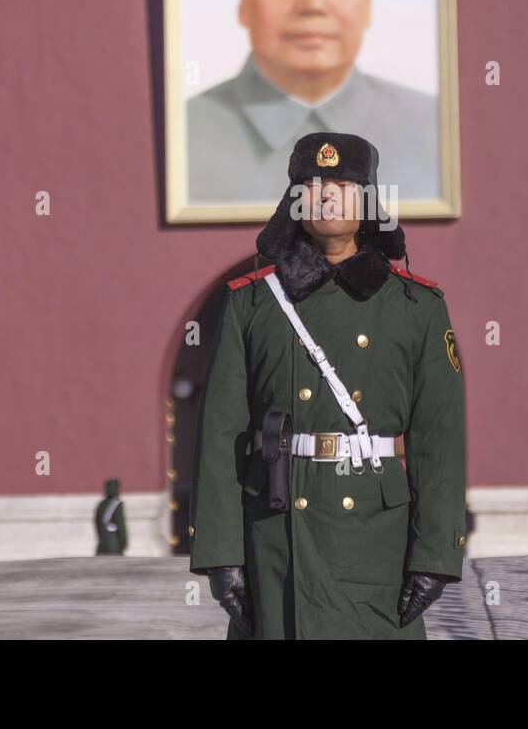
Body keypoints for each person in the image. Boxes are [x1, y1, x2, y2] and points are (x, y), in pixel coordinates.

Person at [187, 131, 467, 639]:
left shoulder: (416, 308)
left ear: (369, 201)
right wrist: (220, 552)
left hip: (376, 540)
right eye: (311, 185)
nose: (325, 196)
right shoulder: (252, 305)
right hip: (276, 532)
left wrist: (436, 553)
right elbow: (221, 434)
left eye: (342, 185)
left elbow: (438, 441)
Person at [186, 0, 441, 204]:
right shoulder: (183, 134)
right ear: (243, 0)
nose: (312, 4)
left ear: (369, 2)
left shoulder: (436, 128)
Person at [94, 479, 128, 555]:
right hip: (114, 543)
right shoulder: (116, 504)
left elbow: (96, 522)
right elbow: (121, 524)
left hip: (102, 542)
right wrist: (123, 542)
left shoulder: (101, 504)